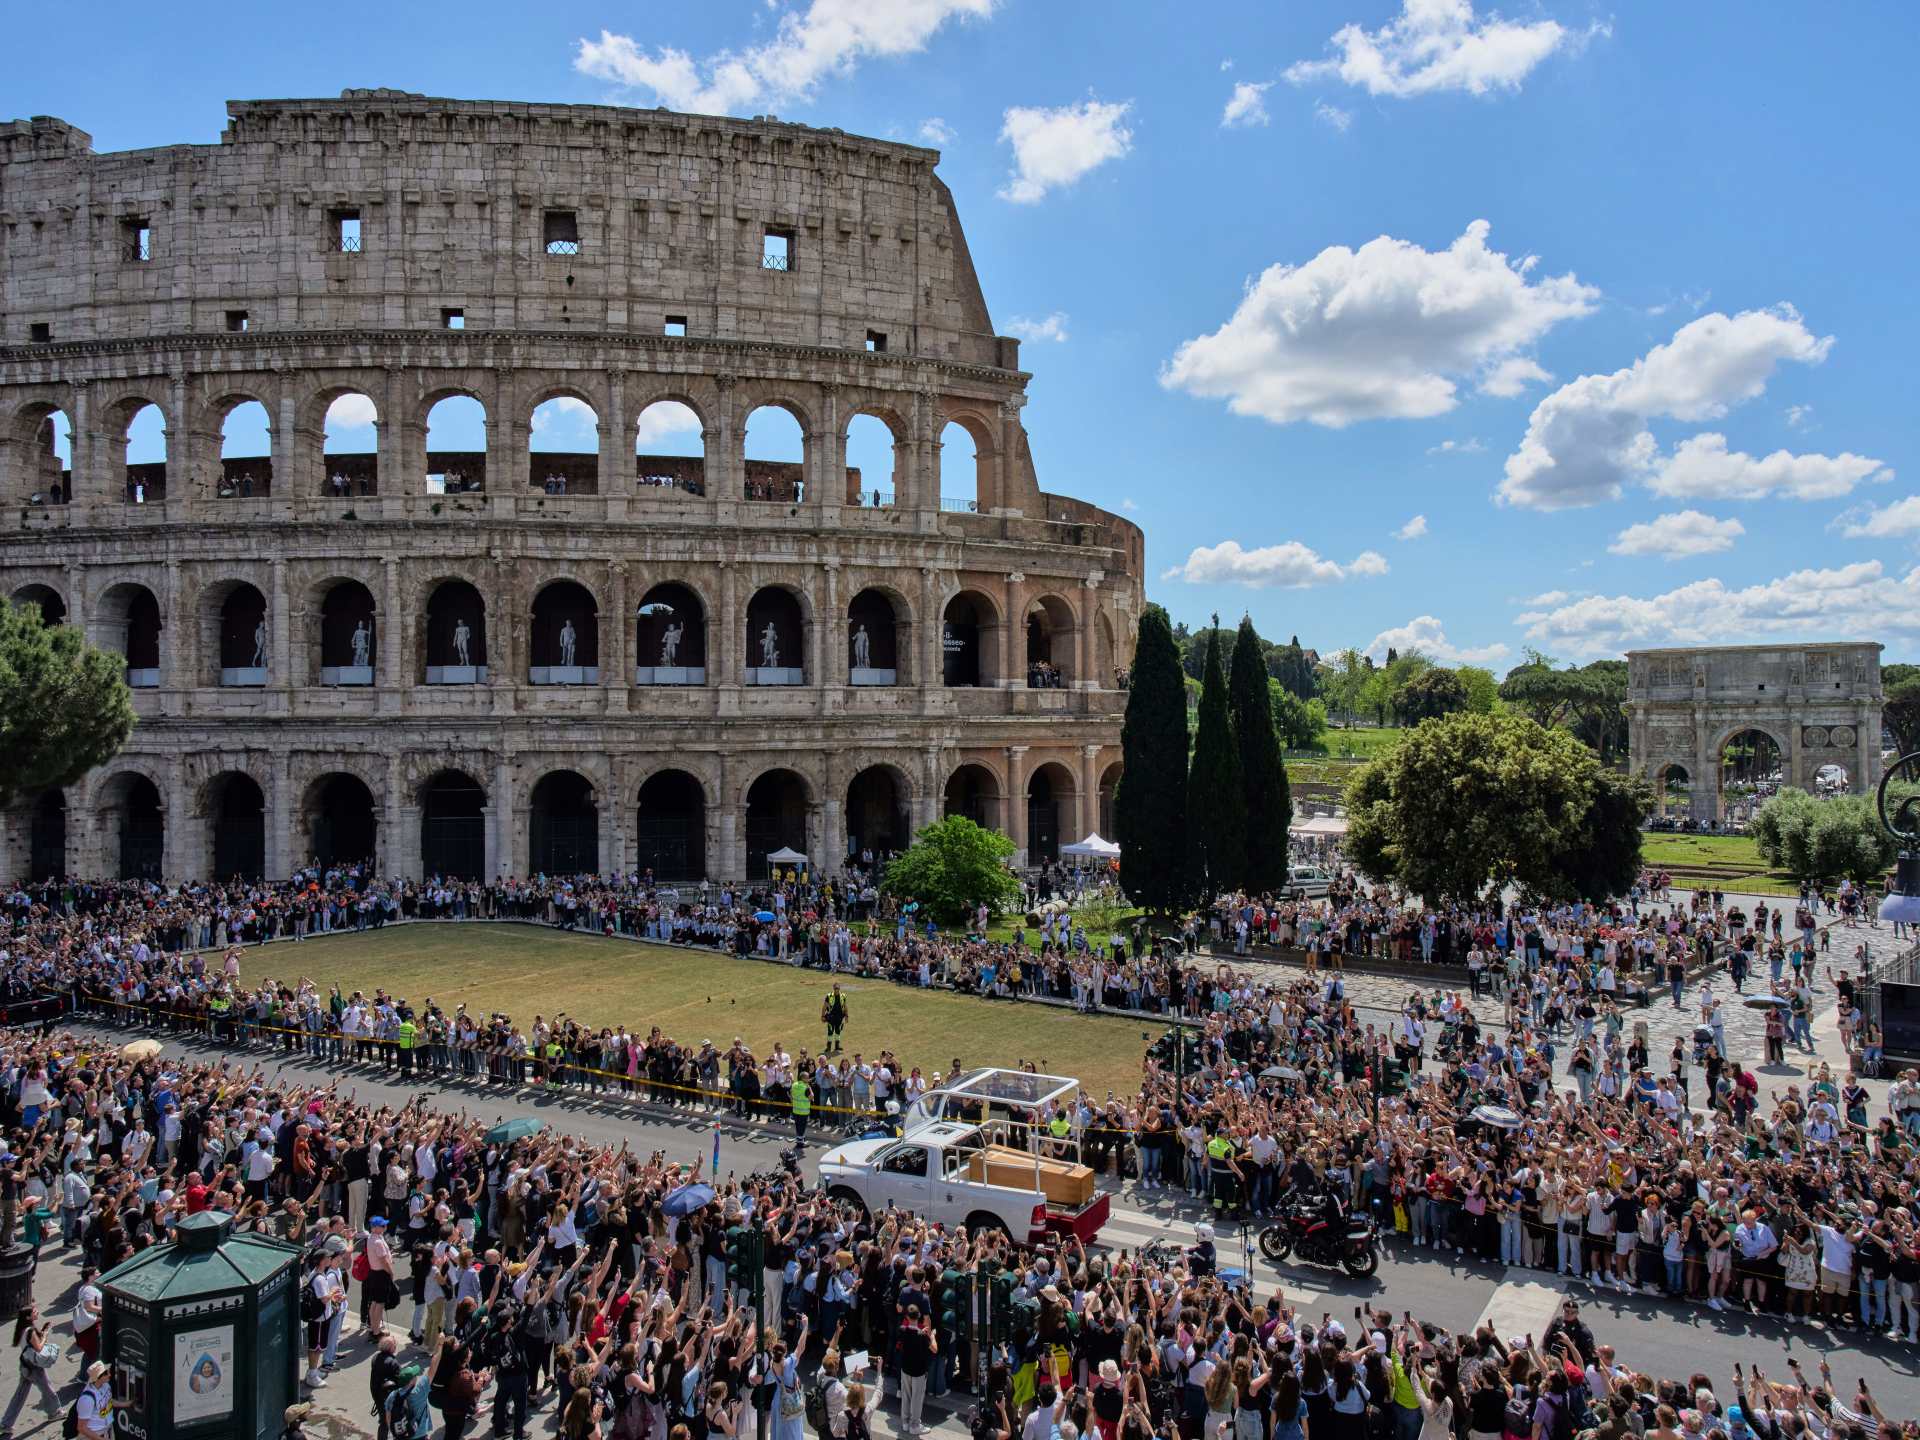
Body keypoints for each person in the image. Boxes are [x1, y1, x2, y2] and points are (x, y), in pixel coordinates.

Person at [0, 1304, 60, 1440]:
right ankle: (55, 1412)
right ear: (28, 1317)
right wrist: (45, 1333)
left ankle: (6, 1423)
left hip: (25, 1365)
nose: (37, 1312)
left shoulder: (21, 1328)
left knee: (19, 1396)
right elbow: (39, 1347)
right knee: (48, 1389)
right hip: (34, 1367)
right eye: (34, 1311)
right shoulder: (30, 1331)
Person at [74, 1360, 113, 1440]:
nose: (110, 1375)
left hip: (106, 1432)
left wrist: (127, 1403)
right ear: (98, 1377)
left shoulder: (106, 1385)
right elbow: (81, 1427)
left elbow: (109, 1401)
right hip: (93, 1436)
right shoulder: (87, 1399)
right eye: (106, 1373)